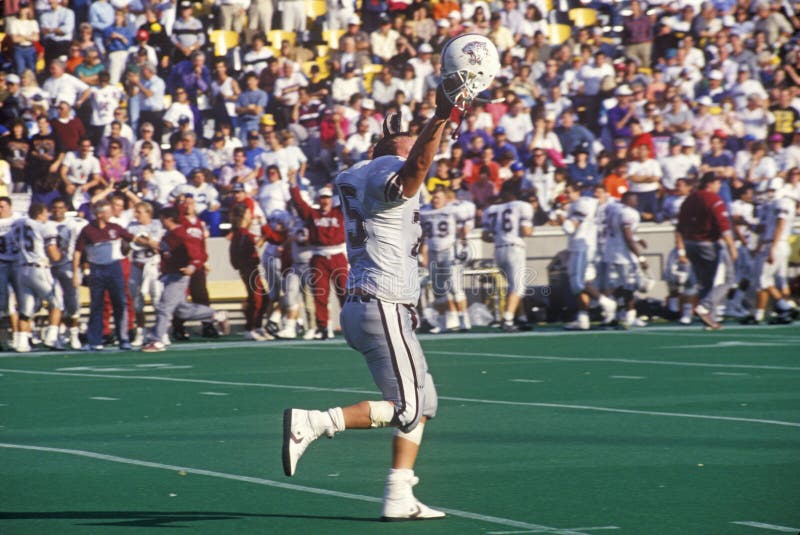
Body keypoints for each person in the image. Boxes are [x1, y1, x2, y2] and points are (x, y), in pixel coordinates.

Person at [282, 84, 458, 522]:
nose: (427, 147)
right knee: (408, 408)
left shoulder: (360, 172)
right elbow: (413, 167)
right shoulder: (384, 169)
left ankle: (398, 494)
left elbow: (414, 164)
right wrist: (440, 115)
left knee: (424, 402)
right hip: (382, 303)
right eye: (413, 139)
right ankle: (316, 422)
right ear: (391, 145)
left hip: (374, 305)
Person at [140, 206, 229, 352]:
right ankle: (215, 314)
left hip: (178, 276)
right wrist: (149, 243)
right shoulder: (170, 234)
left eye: (162, 218)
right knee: (182, 310)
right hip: (169, 274)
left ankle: (157, 340)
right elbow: (164, 248)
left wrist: (191, 267)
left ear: (168, 219)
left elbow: (197, 254)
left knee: (164, 307)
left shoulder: (182, 234)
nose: (160, 221)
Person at [74, 200, 144, 351]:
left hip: (114, 268)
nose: (110, 214)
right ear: (99, 214)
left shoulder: (115, 228)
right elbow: (78, 251)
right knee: (96, 305)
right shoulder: (88, 230)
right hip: (96, 269)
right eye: (107, 211)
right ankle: (95, 341)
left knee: (120, 303)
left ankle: (123, 338)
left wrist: (149, 243)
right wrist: (75, 272)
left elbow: (132, 238)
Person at [675, 173, 737, 330]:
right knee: (727, 279)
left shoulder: (689, 199)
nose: (719, 186)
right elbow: (723, 225)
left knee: (705, 283)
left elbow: (679, 226)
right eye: (717, 183)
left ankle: (710, 318)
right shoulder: (714, 200)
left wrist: (682, 249)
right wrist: (731, 246)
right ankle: (705, 307)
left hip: (690, 244)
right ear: (710, 184)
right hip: (708, 244)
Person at [287, 180, 347, 340]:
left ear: (331, 199)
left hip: (337, 255)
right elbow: (299, 204)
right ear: (318, 200)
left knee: (345, 292)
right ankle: (323, 327)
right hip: (319, 257)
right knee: (320, 294)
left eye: (327, 197)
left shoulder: (339, 212)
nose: (325, 200)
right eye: (322, 198)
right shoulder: (312, 215)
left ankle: (350, 325)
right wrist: (293, 184)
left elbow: (350, 197)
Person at [557, 182, 617, 330]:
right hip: (585, 246)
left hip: (582, 248)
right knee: (583, 283)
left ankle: (606, 303)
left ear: (578, 192)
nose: (567, 195)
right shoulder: (586, 203)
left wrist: (561, 217)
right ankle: (583, 318)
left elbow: (570, 228)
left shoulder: (581, 203)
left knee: (578, 283)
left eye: (569, 192)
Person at [482, 189, 534, 332]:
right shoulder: (521, 206)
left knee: (513, 286)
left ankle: (522, 318)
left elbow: (485, 236)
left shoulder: (491, 209)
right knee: (518, 287)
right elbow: (526, 231)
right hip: (514, 248)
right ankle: (508, 319)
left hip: (498, 249)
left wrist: (500, 237)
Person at [15, 203, 64, 352]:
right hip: (39, 269)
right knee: (57, 303)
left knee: (26, 309)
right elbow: (53, 253)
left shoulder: (19, 225)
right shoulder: (45, 226)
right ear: (41, 213)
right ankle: (51, 338)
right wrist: (63, 254)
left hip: (21, 269)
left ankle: (22, 343)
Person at [601, 191, 650, 328]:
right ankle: (629, 315)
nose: (637, 202)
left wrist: (637, 239)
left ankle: (613, 314)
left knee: (616, 286)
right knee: (630, 286)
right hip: (624, 256)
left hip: (611, 252)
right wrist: (641, 257)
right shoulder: (628, 213)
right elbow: (627, 236)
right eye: (635, 199)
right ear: (628, 199)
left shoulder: (613, 208)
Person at [228, 202, 272, 341]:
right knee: (256, 298)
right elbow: (247, 249)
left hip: (250, 268)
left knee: (264, 298)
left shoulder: (242, 233)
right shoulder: (242, 233)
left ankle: (258, 326)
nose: (250, 215)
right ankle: (249, 328)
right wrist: (263, 237)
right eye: (248, 213)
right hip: (248, 269)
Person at [50, 198, 88, 350]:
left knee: (73, 303)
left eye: (60, 207)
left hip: (68, 265)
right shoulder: (47, 223)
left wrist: (79, 267)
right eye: (55, 208)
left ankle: (73, 333)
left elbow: (79, 247)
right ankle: (58, 335)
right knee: (56, 302)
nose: (57, 211)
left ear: (66, 208)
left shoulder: (74, 224)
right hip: (51, 267)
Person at [127, 201, 165, 347]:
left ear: (148, 213)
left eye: (139, 212)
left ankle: (161, 333)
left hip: (153, 265)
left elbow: (157, 246)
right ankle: (140, 333)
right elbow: (126, 244)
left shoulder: (157, 225)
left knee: (157, 300)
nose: (136, 215)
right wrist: (145, 241)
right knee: (137, 302)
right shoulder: (131, 226)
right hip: (137, 264)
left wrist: (140, 240)